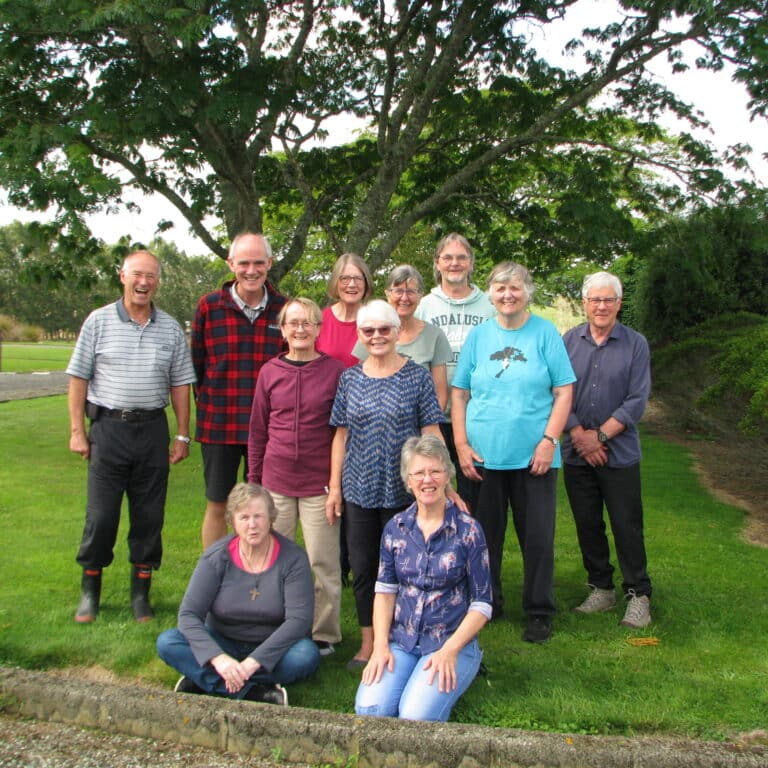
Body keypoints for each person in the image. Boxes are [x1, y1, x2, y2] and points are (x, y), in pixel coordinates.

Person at [67, 250, 196, 624]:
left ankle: (141, 595)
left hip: (152, 431)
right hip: (108, 431)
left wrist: (182, 435)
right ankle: (90, 591)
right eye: (137, 274)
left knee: (149, 517)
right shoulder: (98, 322)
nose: (144, 282)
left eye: (151, 276)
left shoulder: (170, 328)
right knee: (101, 516)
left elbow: (180, 385)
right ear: (122, 276)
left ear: (158, 282)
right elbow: (79, 378)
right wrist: (77, 431)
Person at [451, 262, 575, 644]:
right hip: (483, 457)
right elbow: (459, 393)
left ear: (528, 292)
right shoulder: (478, 336)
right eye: (501, 288)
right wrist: (461, 445)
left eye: (515, 287)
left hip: (535, 457)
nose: (508, 294)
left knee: (537, 538)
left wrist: (549, 441)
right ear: (490, 293)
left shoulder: (545, 333)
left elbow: (564, 391)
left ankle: (539, 611)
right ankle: (488, 604)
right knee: (484, 538)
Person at [326, 300, 446, 669]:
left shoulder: (417, 377)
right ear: (359, 335)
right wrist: (335, 488)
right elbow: (340, 436)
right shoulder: (350, 379)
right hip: (358, 491)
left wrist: (444, 483)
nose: (376, 336)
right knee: (364, 569)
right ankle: (369, 643)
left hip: (404, 492)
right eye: (368, 330)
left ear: (396, 332)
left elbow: (430, 430)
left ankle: (401, 639)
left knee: (405, 569)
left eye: (384, 329)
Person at [354, 436, 491, 722]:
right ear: (408, 480)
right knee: (370, 711)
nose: (427, 480)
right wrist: (380, 646)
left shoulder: (468, 531)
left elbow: (482, 604)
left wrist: (450, 650)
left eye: (435, 471)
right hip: (402, 641)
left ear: (447, 476)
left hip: (450, 642)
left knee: (415, 718)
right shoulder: (395, 528)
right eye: (419, 473)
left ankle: (464, 667)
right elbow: (385, 592)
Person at [156, 483, 320, 704]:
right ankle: (255, 693)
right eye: (244, 517)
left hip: (273, 645)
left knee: (305, 656)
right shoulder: (215, 557)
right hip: (222, 641)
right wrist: (218, 659)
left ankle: (204, 679)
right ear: (232, 521)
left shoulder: (293, 559)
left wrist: (253, 662)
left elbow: (299, 621)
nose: (252, 525)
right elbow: (188, 615)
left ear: (271, 518)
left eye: (258, 516)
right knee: (168, 642)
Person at [247, 298, 345, 656]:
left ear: (318, 329)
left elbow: (341, 433)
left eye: (308, 323)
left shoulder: (335, 372)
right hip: (275, 483)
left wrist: (336, 485)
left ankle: (324, 633)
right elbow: (258, 430)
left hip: (319, 484)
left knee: (323, 562)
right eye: (293, 323)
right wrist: (254, 482)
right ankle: (274, 627)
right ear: (283, 329)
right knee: (273, 560)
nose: (300, 329)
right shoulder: (269, 372)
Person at [561, 271, 653, 628]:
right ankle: (601, 587)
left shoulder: (635, 344)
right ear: (585, 303)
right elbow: (558, 391)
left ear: (619, 303)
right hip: (576, 453)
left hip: (620, 453)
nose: (601, 306)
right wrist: (579, 435)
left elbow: (637, 400)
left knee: (626, 525)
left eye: (608, 300)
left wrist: (598, 437)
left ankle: (638, 593)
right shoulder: (568, 341)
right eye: (595, 299)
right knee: (588, 524)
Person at [192, 233, 287, 549]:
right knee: (218, 504)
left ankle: (258, 569)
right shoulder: (209, 307)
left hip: (269, 428)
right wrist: (209, 404)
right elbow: (197, 366)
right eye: (244, 263)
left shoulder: (283, 309)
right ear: (231, 263)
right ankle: (215, 571)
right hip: (220, 424)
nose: (251, 270)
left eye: (258, 262)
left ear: (269, 263)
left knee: (262, 507)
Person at [414, 234, 495, 499]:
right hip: (432, 414)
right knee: (432, 488)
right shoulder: (424, 306)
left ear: (471, 263)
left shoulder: (489, 307)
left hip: (476, 414)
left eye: (461, 257)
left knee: (476, 491)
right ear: (437, 263)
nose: (454, 263)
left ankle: (475, 527)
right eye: (447, 257)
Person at [353, 265, 452, 409]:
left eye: (411, 291)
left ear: (420, 296)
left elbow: (440, 394)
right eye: (398, 291)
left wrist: (430, 421)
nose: (404, 298)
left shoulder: (434, 336)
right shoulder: (371, 333)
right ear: (387, 294)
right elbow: (360, 386)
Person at [316, 252, 373, 368]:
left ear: (366, 283)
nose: (352, 284)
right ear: (336, 282)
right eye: (345, 278)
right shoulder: (319, 320)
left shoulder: (376, 321)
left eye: (358, 278)